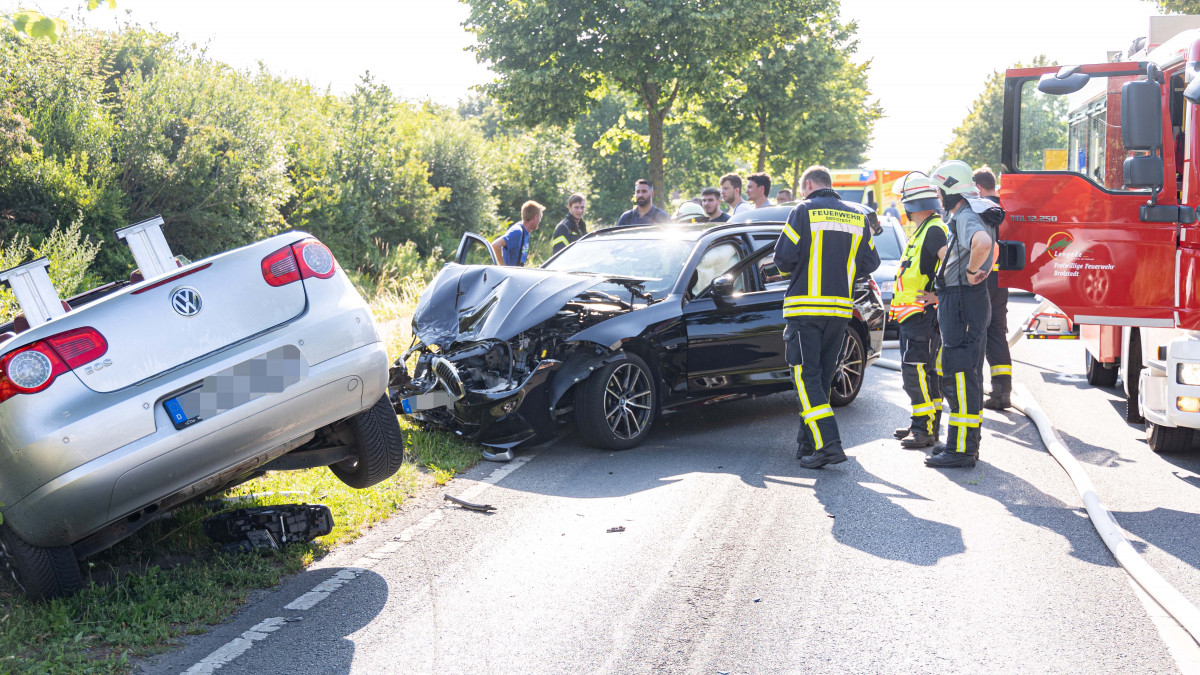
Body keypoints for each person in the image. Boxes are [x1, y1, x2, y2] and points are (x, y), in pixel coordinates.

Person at [774, 166, 881, 469]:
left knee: (805, 377)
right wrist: (842, 271)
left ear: (808, 184)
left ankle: (829, 445)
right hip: (839, 312)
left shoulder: (803, 210)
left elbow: (782, 259)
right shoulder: (857, 216)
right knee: (821, 378)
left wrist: (798, 271)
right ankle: (808, 443)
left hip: (805, 309)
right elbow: (871, 261)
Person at [925, 160, 1000, 469]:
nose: (937, 197)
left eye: (939, 191)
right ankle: (963, 443)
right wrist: (978, 270)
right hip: (966, 300)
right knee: (966, 372)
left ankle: (962, 450)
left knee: (959, 373)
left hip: (961, 301)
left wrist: (971, 272)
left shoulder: (966, 214)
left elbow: (983, 243)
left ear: (950, 190)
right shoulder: (975, 211)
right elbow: (993, 248)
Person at [888, 173, 949, 449]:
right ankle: (926, 426)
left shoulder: (934, 230)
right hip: (914, 316)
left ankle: (922, 429)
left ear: (912, 203)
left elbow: (952, 264)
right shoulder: (926, 229)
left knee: (915, 372)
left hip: (922, 316)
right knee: (925, 372)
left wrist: (939, 295)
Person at [974, 166, 1013, 410]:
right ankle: (1002, 392)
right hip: (1002, 280)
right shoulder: (1007, 209)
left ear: (978, 188)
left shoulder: (978, 210)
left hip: (980, 277)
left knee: (975, 332)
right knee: (997, 333)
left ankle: (971, 391)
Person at [491, 200, 544, 266]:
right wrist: (503, 267)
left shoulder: (526, 232)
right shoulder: (517, 232)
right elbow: (495, 245)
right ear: (536, 217)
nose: (540, 220)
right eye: (540, 217)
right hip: (508, 272)